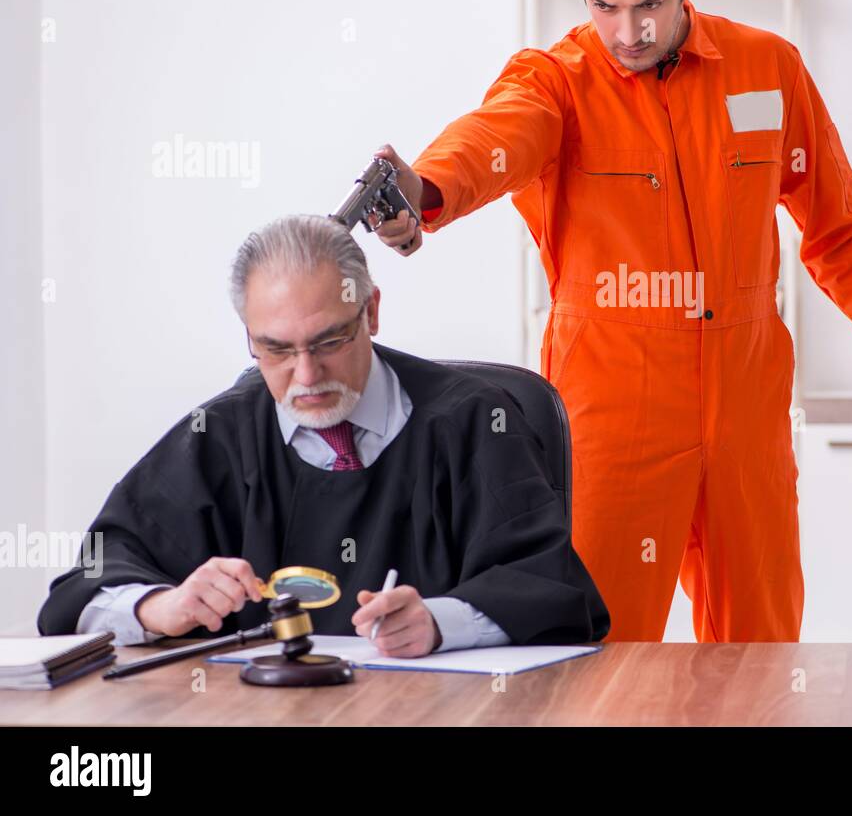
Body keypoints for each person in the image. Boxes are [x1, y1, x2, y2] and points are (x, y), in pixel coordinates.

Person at [368, 0, 852, 643]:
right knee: (599, 653)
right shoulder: (556, 82)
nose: (626, 32)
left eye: (649, 4)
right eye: (604, 6)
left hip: (746, 407)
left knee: (760, 652)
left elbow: (842, 229)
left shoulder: (768, 69)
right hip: (613, 411)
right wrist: (423, 191)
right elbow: (491, 141)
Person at [37, 215, 609, 656]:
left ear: (371, 312)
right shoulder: (220, 435)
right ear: (249, 340)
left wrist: (442, 621)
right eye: (278, 350)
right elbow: (83, 587)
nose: (306, 377)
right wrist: (161, 608)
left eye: (330, 342)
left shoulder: (475, 421)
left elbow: (554, 589)